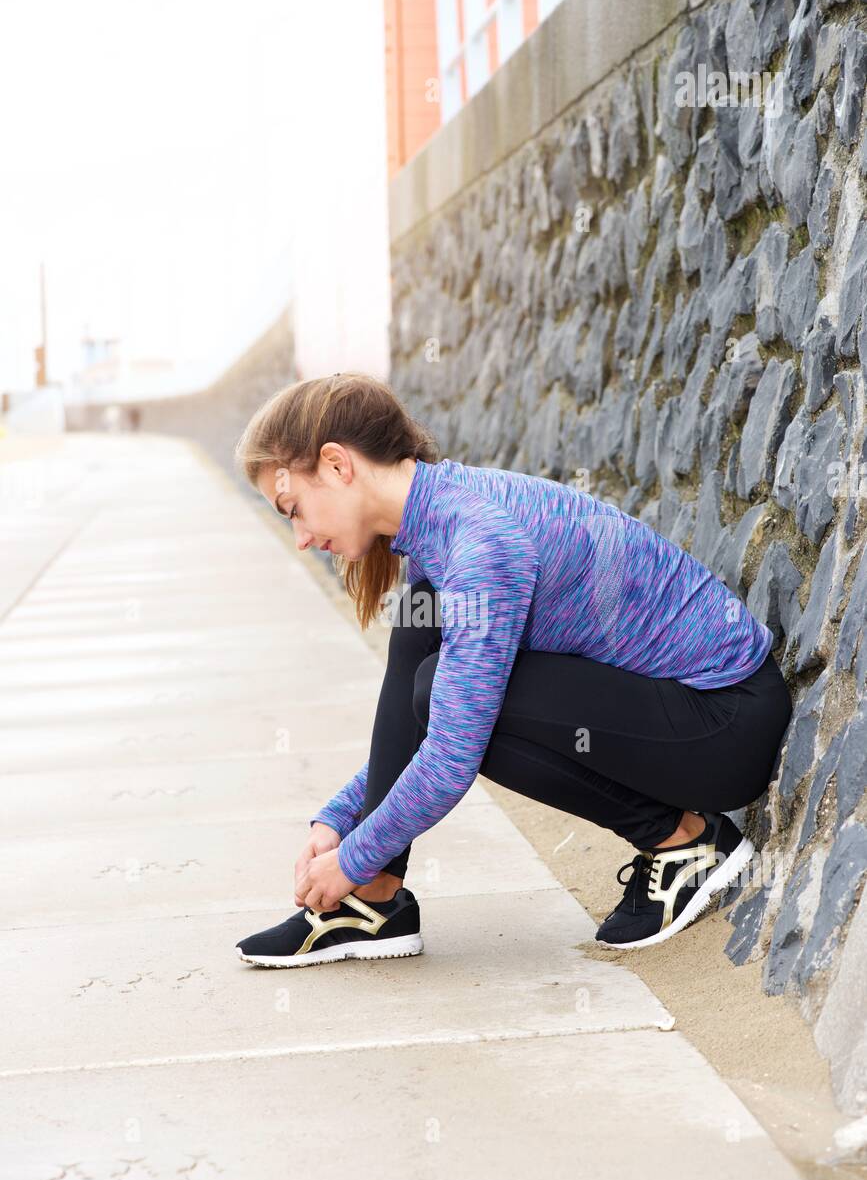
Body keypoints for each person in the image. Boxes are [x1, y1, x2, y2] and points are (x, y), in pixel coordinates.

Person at [231, 371, 793, 965]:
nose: (298, 537)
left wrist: (348, 860)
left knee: (450, 700)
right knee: (420, 649)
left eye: (293, 508)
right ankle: (375, 902)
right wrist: (341, 822)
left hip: (724, 724)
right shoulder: (434, 526)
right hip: (678, 710)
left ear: (338, 464)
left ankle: (683, 843)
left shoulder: (479, 542)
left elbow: (452, 752)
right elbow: (431, 718)